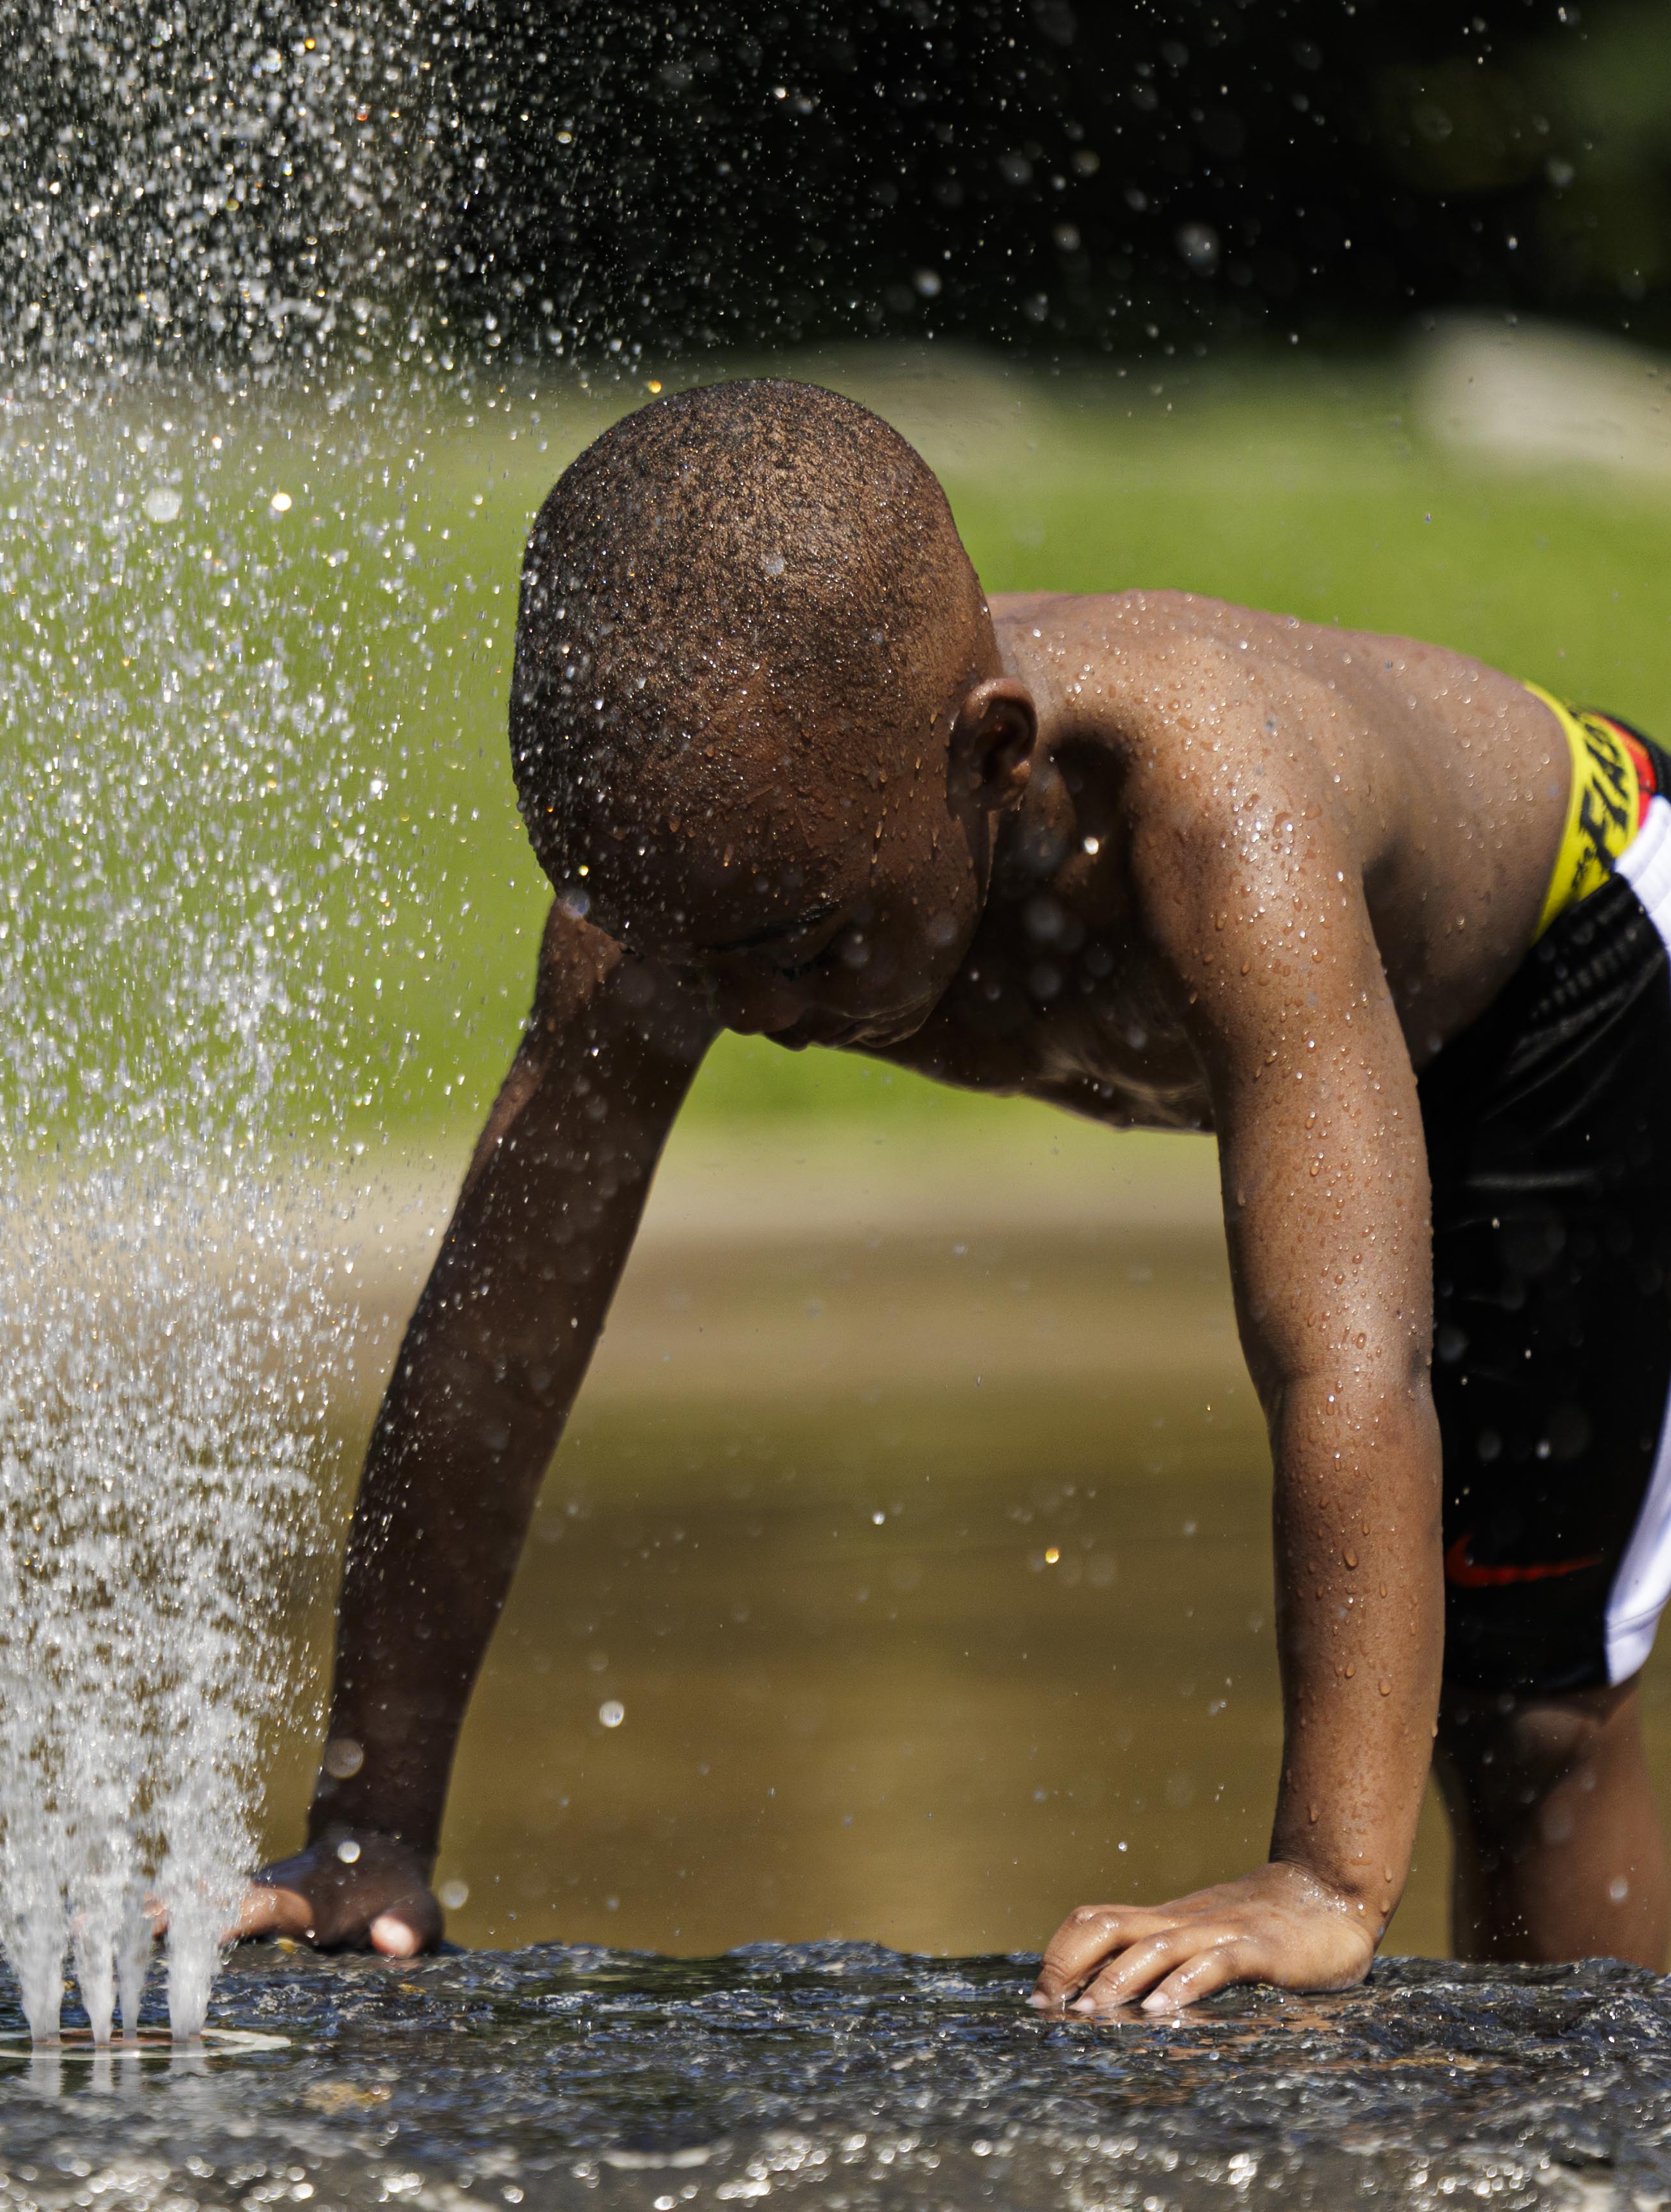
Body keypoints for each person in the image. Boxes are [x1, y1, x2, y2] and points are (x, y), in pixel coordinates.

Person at [237, 375, 1671, 2009]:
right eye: (689, 955)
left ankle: (1596, 2121)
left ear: (994, 754)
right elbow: (492, 1356)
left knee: (1531, 1710)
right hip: (1386, 1012)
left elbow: (1349, 1360)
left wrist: (1323, 1880)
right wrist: (369, 1827)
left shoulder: (1214, 811)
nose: (751, 1010)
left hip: (1571, 967)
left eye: (805, 946)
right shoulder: (704, 885)